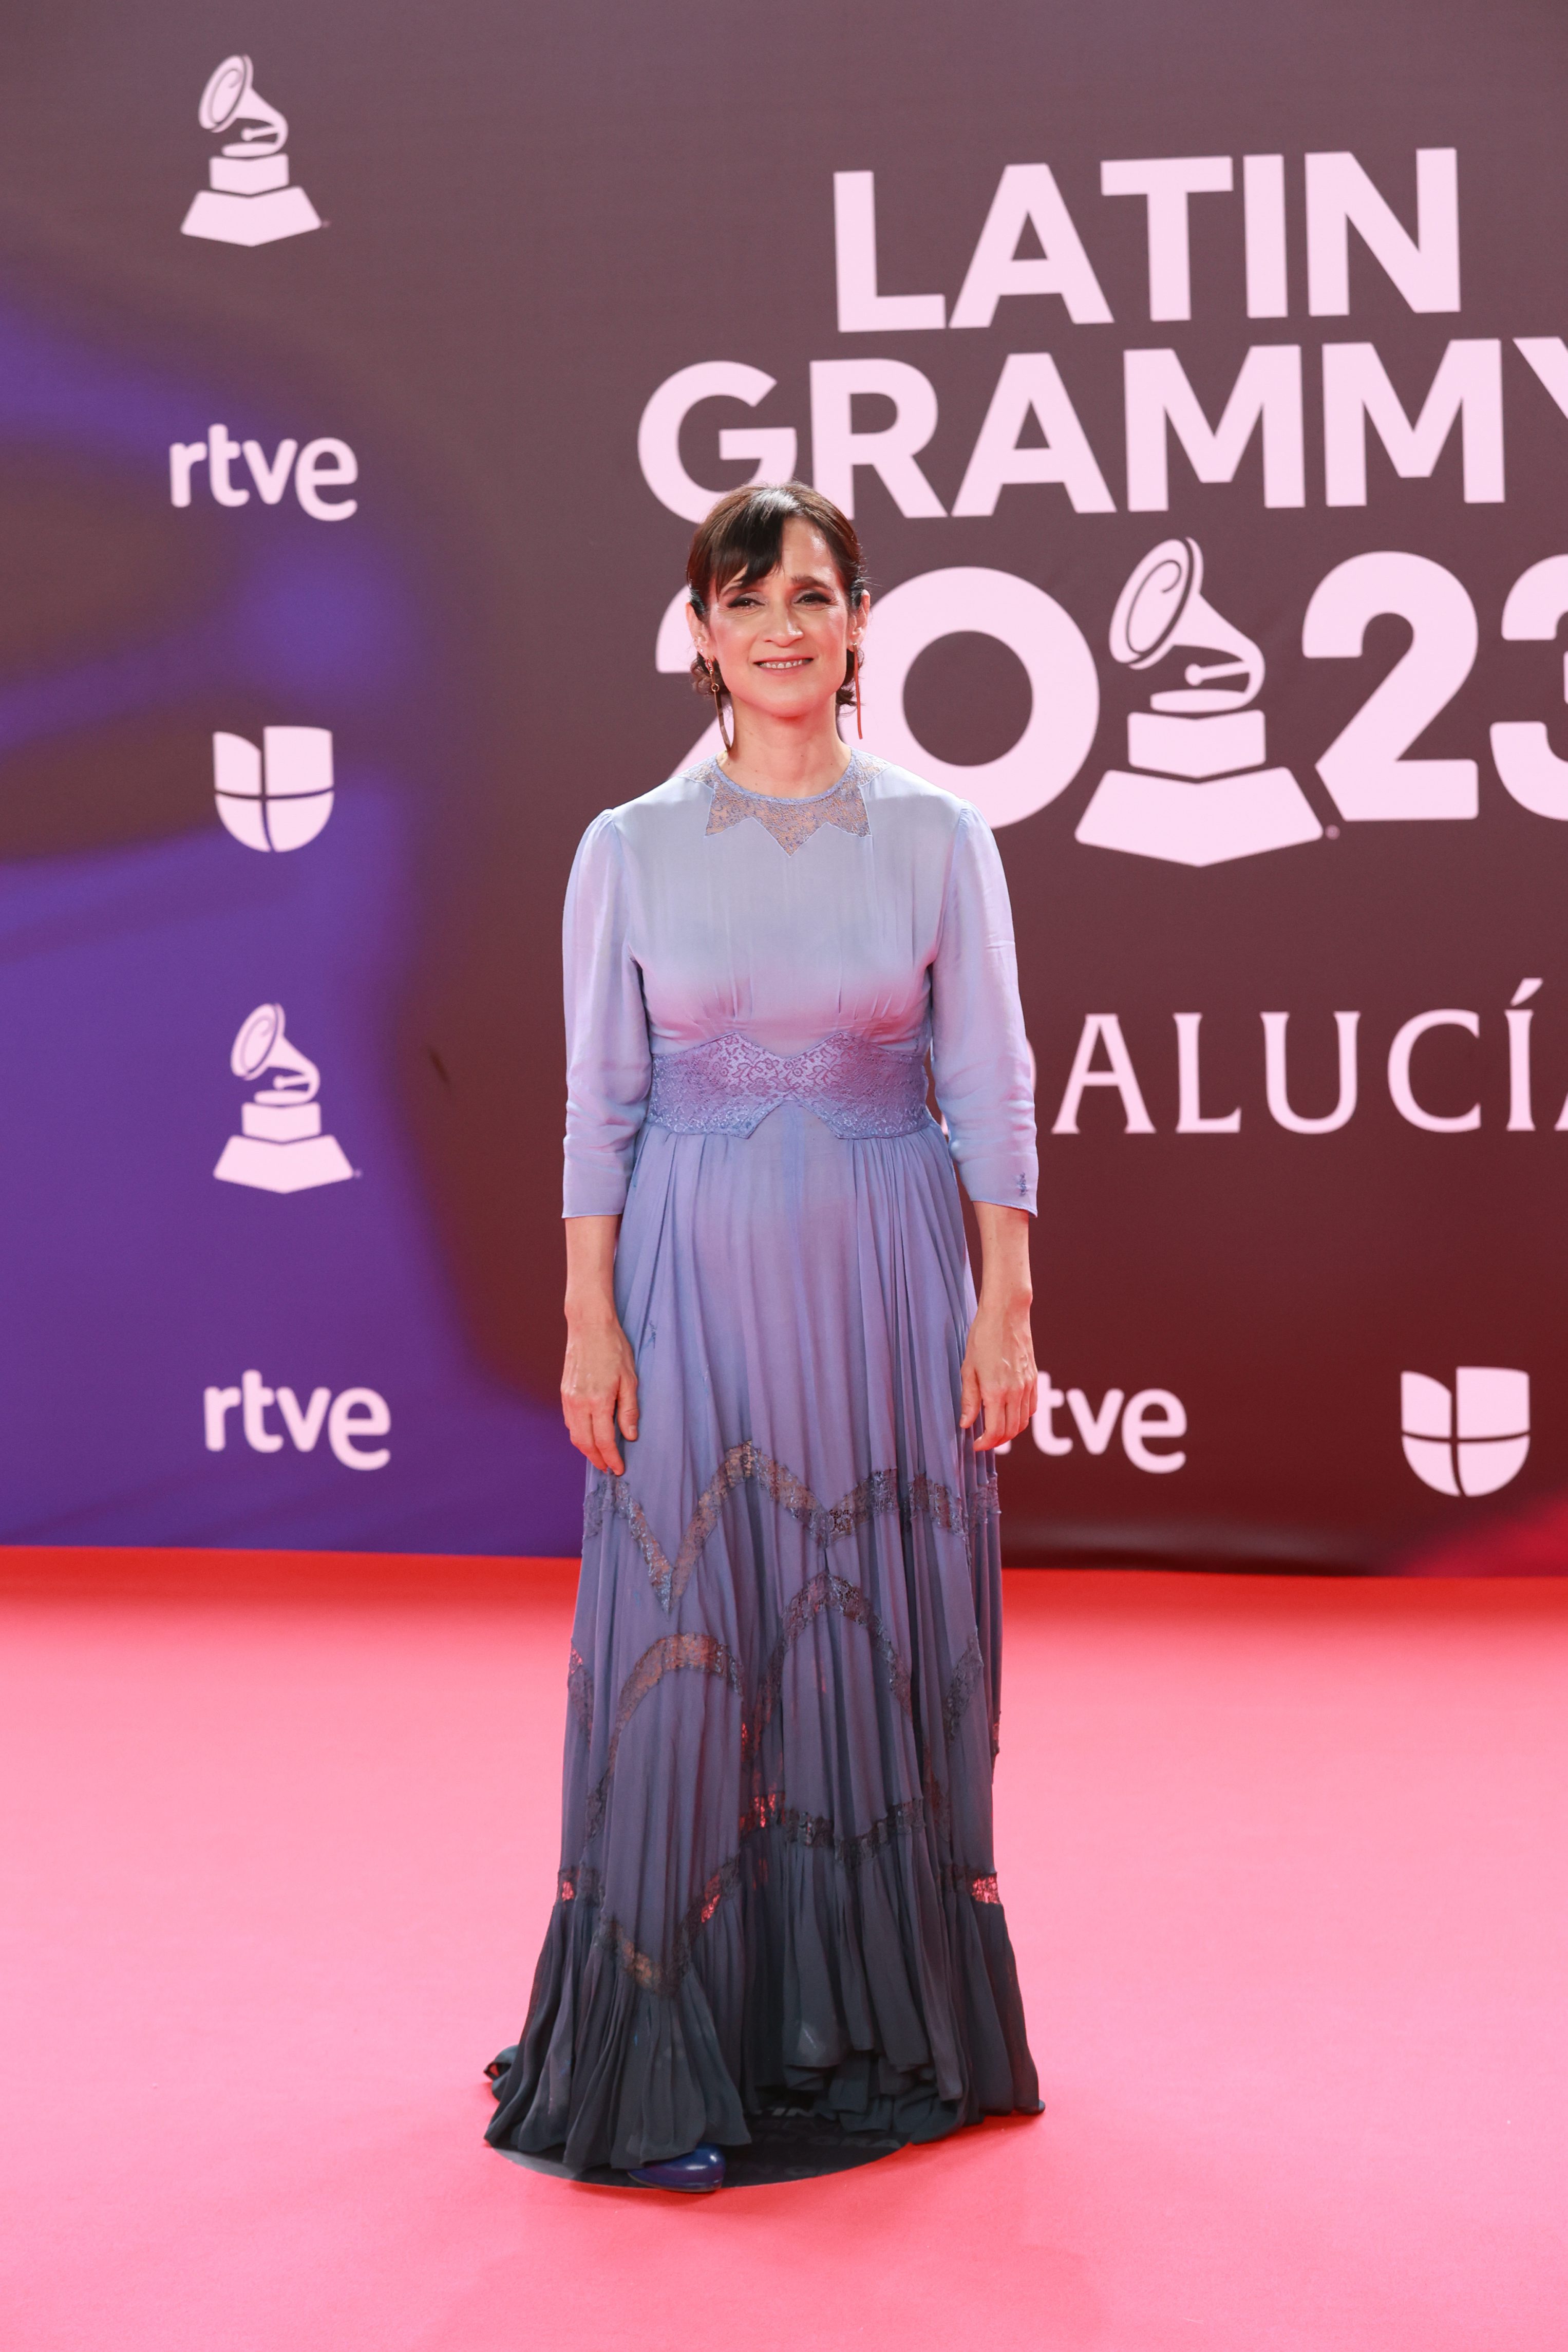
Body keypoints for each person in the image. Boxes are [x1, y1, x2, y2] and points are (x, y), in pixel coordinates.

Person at [486, 482, 1041, 2191]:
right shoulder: (631, 845)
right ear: (704, 633)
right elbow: (599, 1108)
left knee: (873, 1630)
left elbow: (991, 1087)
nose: (783, 627)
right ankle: (677, 2030)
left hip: (888, 1278)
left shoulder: (942, 835)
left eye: (813, 593)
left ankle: (874, 2028)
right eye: (748, 599)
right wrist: (589, 1318)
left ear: (861, 618)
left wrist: (1006, 1296)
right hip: (691, 1281)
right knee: (693, 1640)